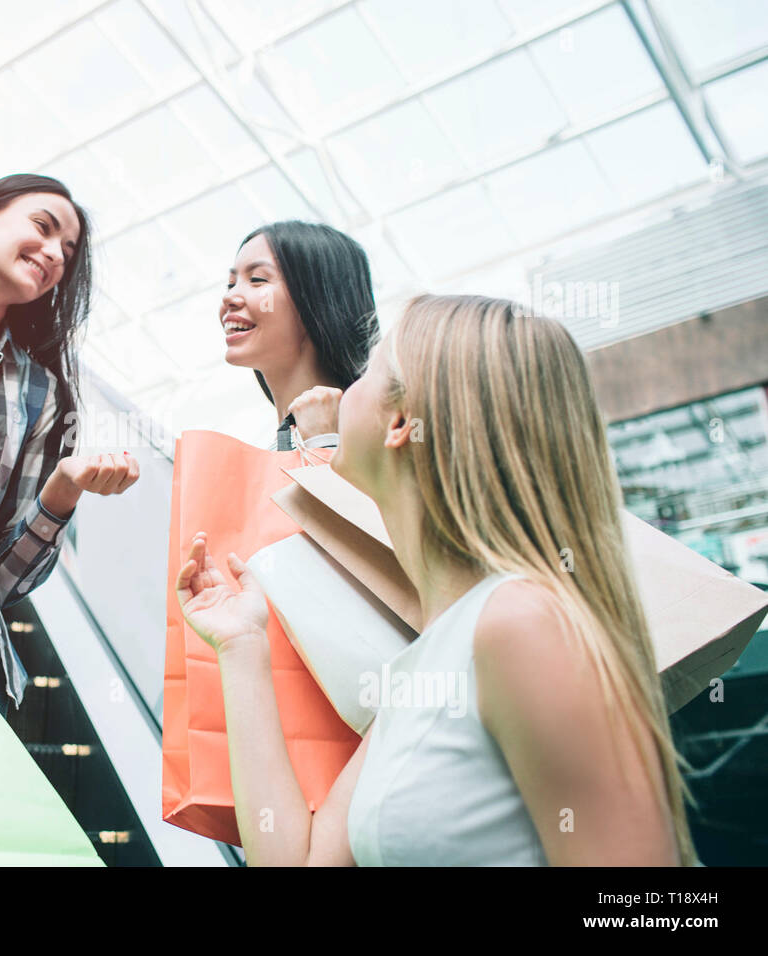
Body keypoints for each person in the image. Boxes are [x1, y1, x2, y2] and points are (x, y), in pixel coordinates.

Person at [176, 293, 697, 866]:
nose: (346, 388)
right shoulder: (421, 669)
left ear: (400, 423)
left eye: (370, 368)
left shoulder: (518, 623)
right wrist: (241, 646)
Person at [0, 173, 139, 716]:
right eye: (42, 228)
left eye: (66, 253)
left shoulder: (39, 394)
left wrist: (59, 496)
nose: (53, 254)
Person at [220, 220, 377, 452]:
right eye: (231, 284)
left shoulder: (382, 437)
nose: (230, 297)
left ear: (317, 298)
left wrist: (323, 444)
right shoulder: (274, 452)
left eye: (257, 280)